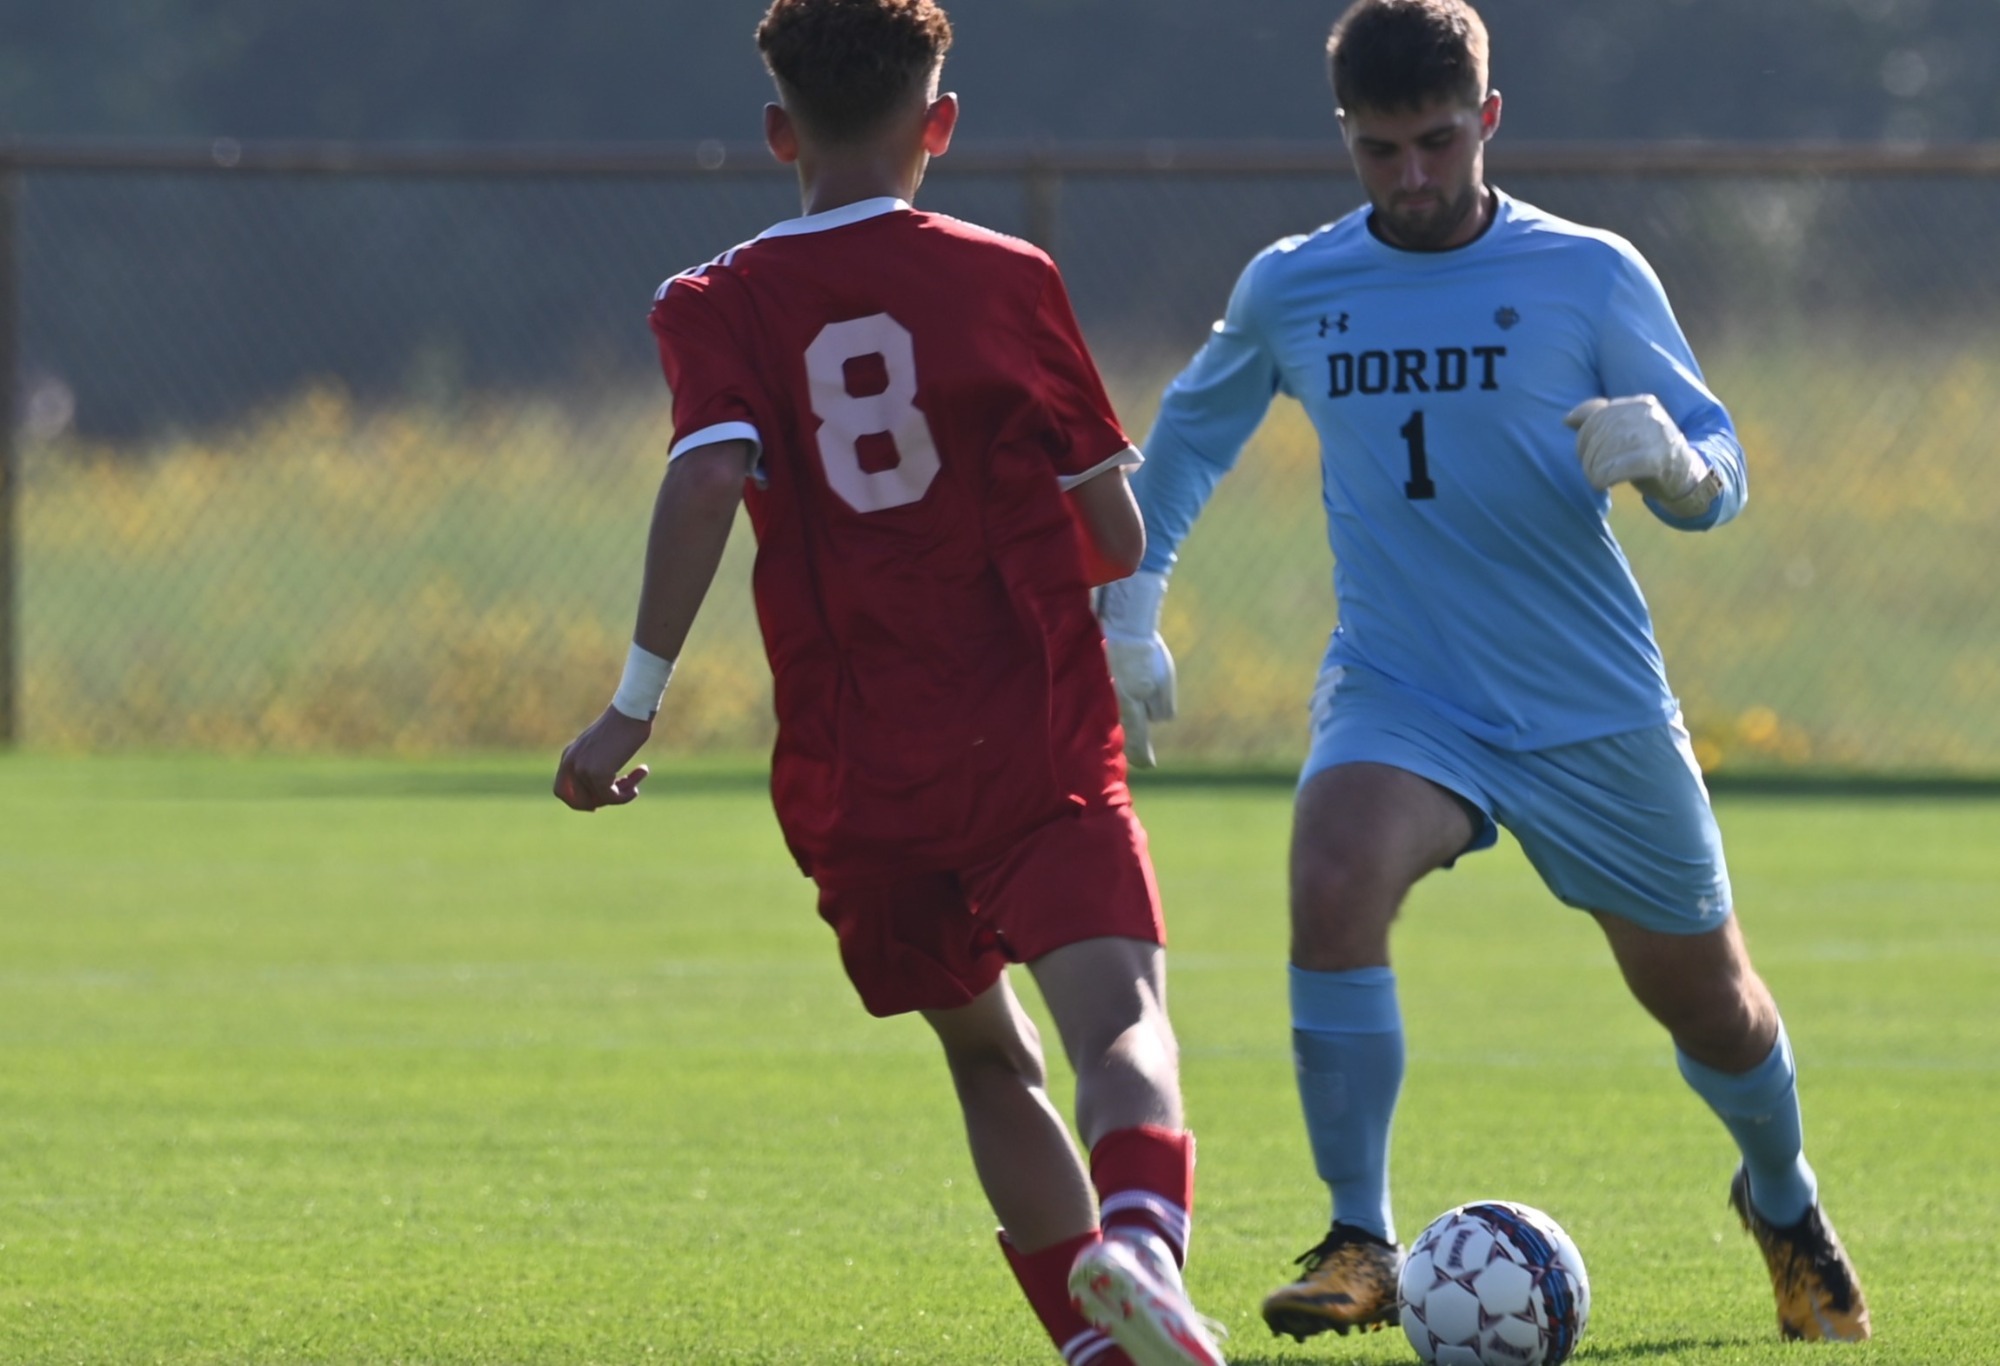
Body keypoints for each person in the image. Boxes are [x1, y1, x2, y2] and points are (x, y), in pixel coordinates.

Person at [1096, 0, 1869, 1346]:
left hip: (1589, 702)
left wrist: (1677, 470)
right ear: (1345, 135)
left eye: (1439, 142)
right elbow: (1189, 436)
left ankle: (1785, 1199)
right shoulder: (1294, 284)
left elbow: (1718, 467)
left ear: (1489, 121)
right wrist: (1133, 601)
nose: (1411, 176)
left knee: (1713, 1005)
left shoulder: (1591, 274)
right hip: (1404, 689)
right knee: (1332, 871)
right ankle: (1359, 1237)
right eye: (1379, 148)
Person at [552, 4, 1227, 1363]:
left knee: (987, 1056)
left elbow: (707, 476)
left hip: (856, 761)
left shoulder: (712, 300)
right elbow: (1113, 533)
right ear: (942, 124)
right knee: (1118, 1016)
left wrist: (635, 699)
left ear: (778, 132)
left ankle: (1099, 1343)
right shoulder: (1006, 278)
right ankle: (1143, 1246)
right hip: (1028, 726)